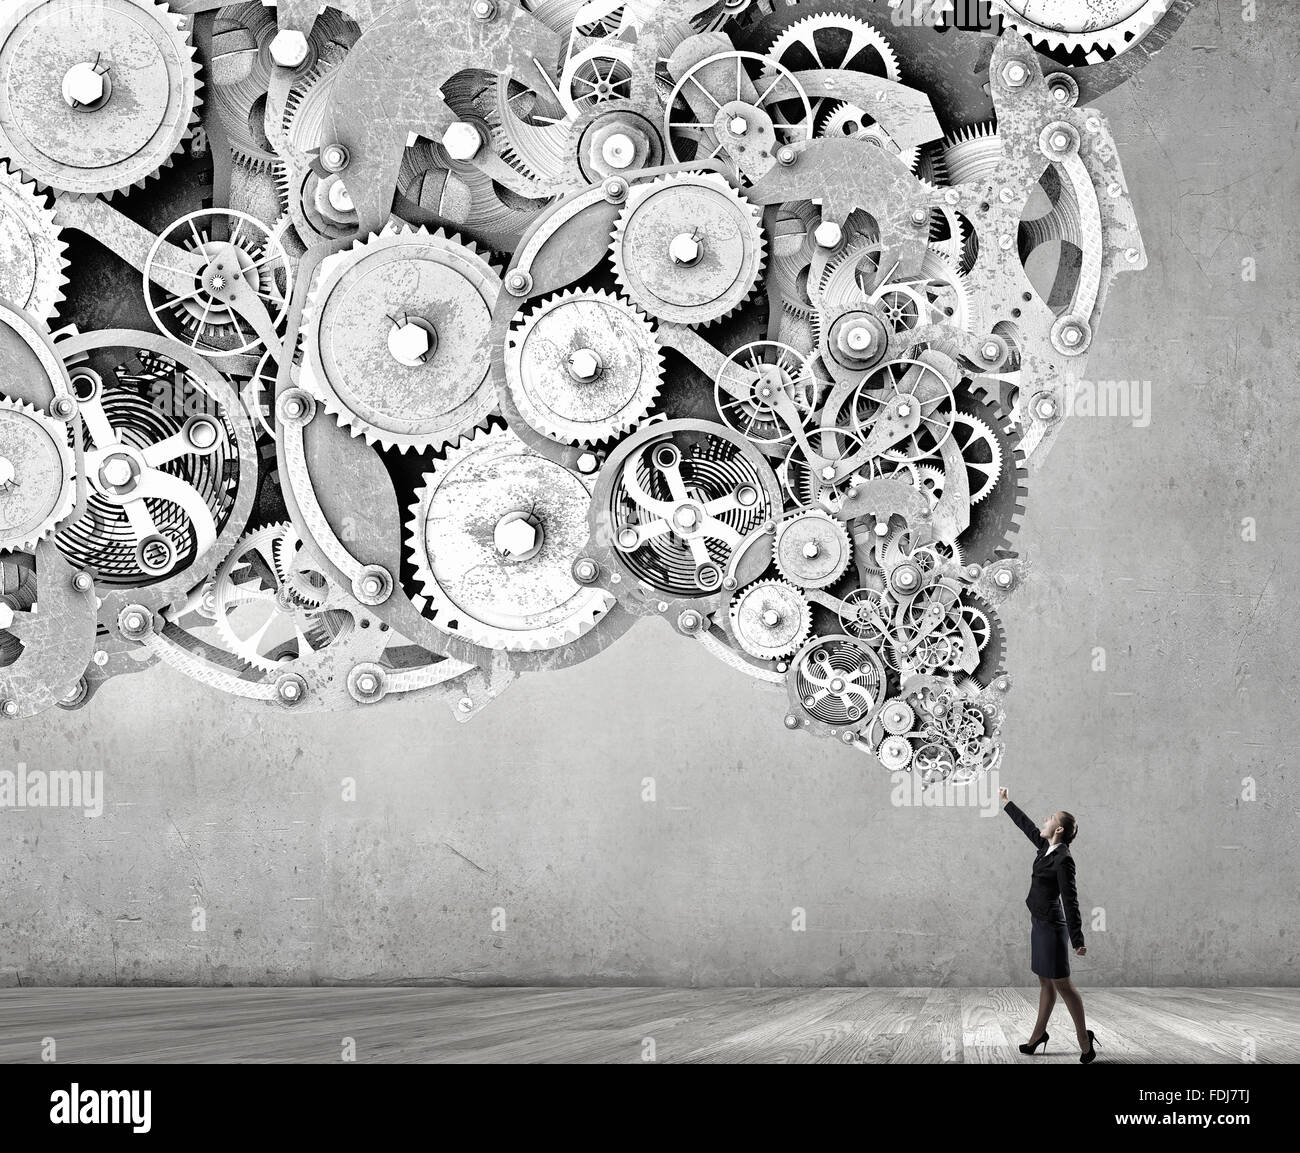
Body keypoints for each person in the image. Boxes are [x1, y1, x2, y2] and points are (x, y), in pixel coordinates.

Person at [998, 785, 1097, 1063]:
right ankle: (1038, 1035)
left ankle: (1084, 1041)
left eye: (1050, 818)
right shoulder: (1046, 846)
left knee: (1063, 985)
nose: (1045, 819)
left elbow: (1071, 899)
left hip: (1053, 928)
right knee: (1045, 981)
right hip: (1038, 923)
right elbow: (1027, 826)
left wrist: (1077, 939)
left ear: (1059, 830)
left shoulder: (1064, 859)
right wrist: (1007, 802)